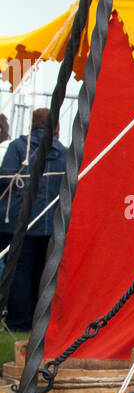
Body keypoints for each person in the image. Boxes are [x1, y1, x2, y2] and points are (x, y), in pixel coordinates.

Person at [0, 108, 68, 330]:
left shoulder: (19, 148)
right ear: (56, 127)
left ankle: (18, 321)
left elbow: (4, 179)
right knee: (43, 272)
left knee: (19, 271)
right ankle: (38, 321)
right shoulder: (66, 154)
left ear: (33, 124)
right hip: (51, 225)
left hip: (20, 223)